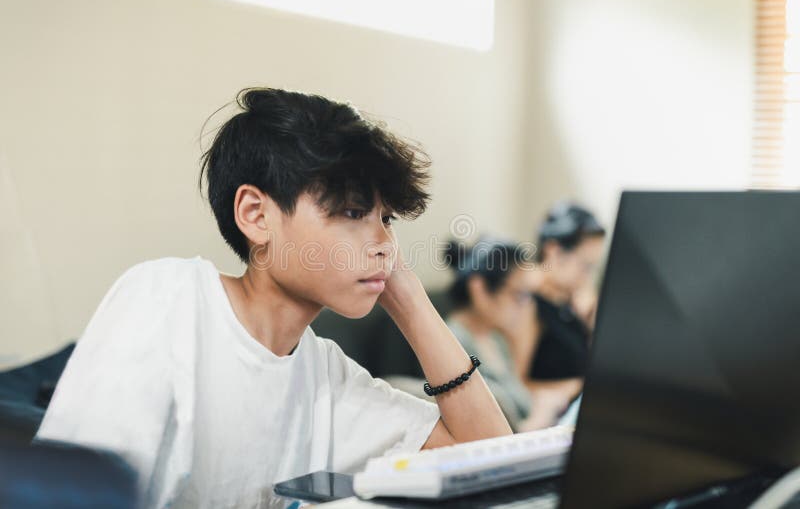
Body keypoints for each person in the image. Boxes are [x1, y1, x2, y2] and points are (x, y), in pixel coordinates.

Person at [34, 88, 513, 508]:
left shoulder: (327, 374)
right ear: (256, 216)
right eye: (351, 210)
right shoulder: (168, 299)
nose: (384, 241)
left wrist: (410, 302)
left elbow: (492, 463)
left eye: (386, 218)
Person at [441, 237, 544, 432]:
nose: (526, 306)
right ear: (479, 289)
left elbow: (519, 399)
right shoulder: (453, 344)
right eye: (520, 295)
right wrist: (545, 413)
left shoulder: (495, 339)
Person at [517, 201, 606, 427]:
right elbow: (515, 387)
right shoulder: (527, 303)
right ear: (554, 252)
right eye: (585, 266)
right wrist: (576, 387)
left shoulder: (567, 300)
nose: (587, 277)